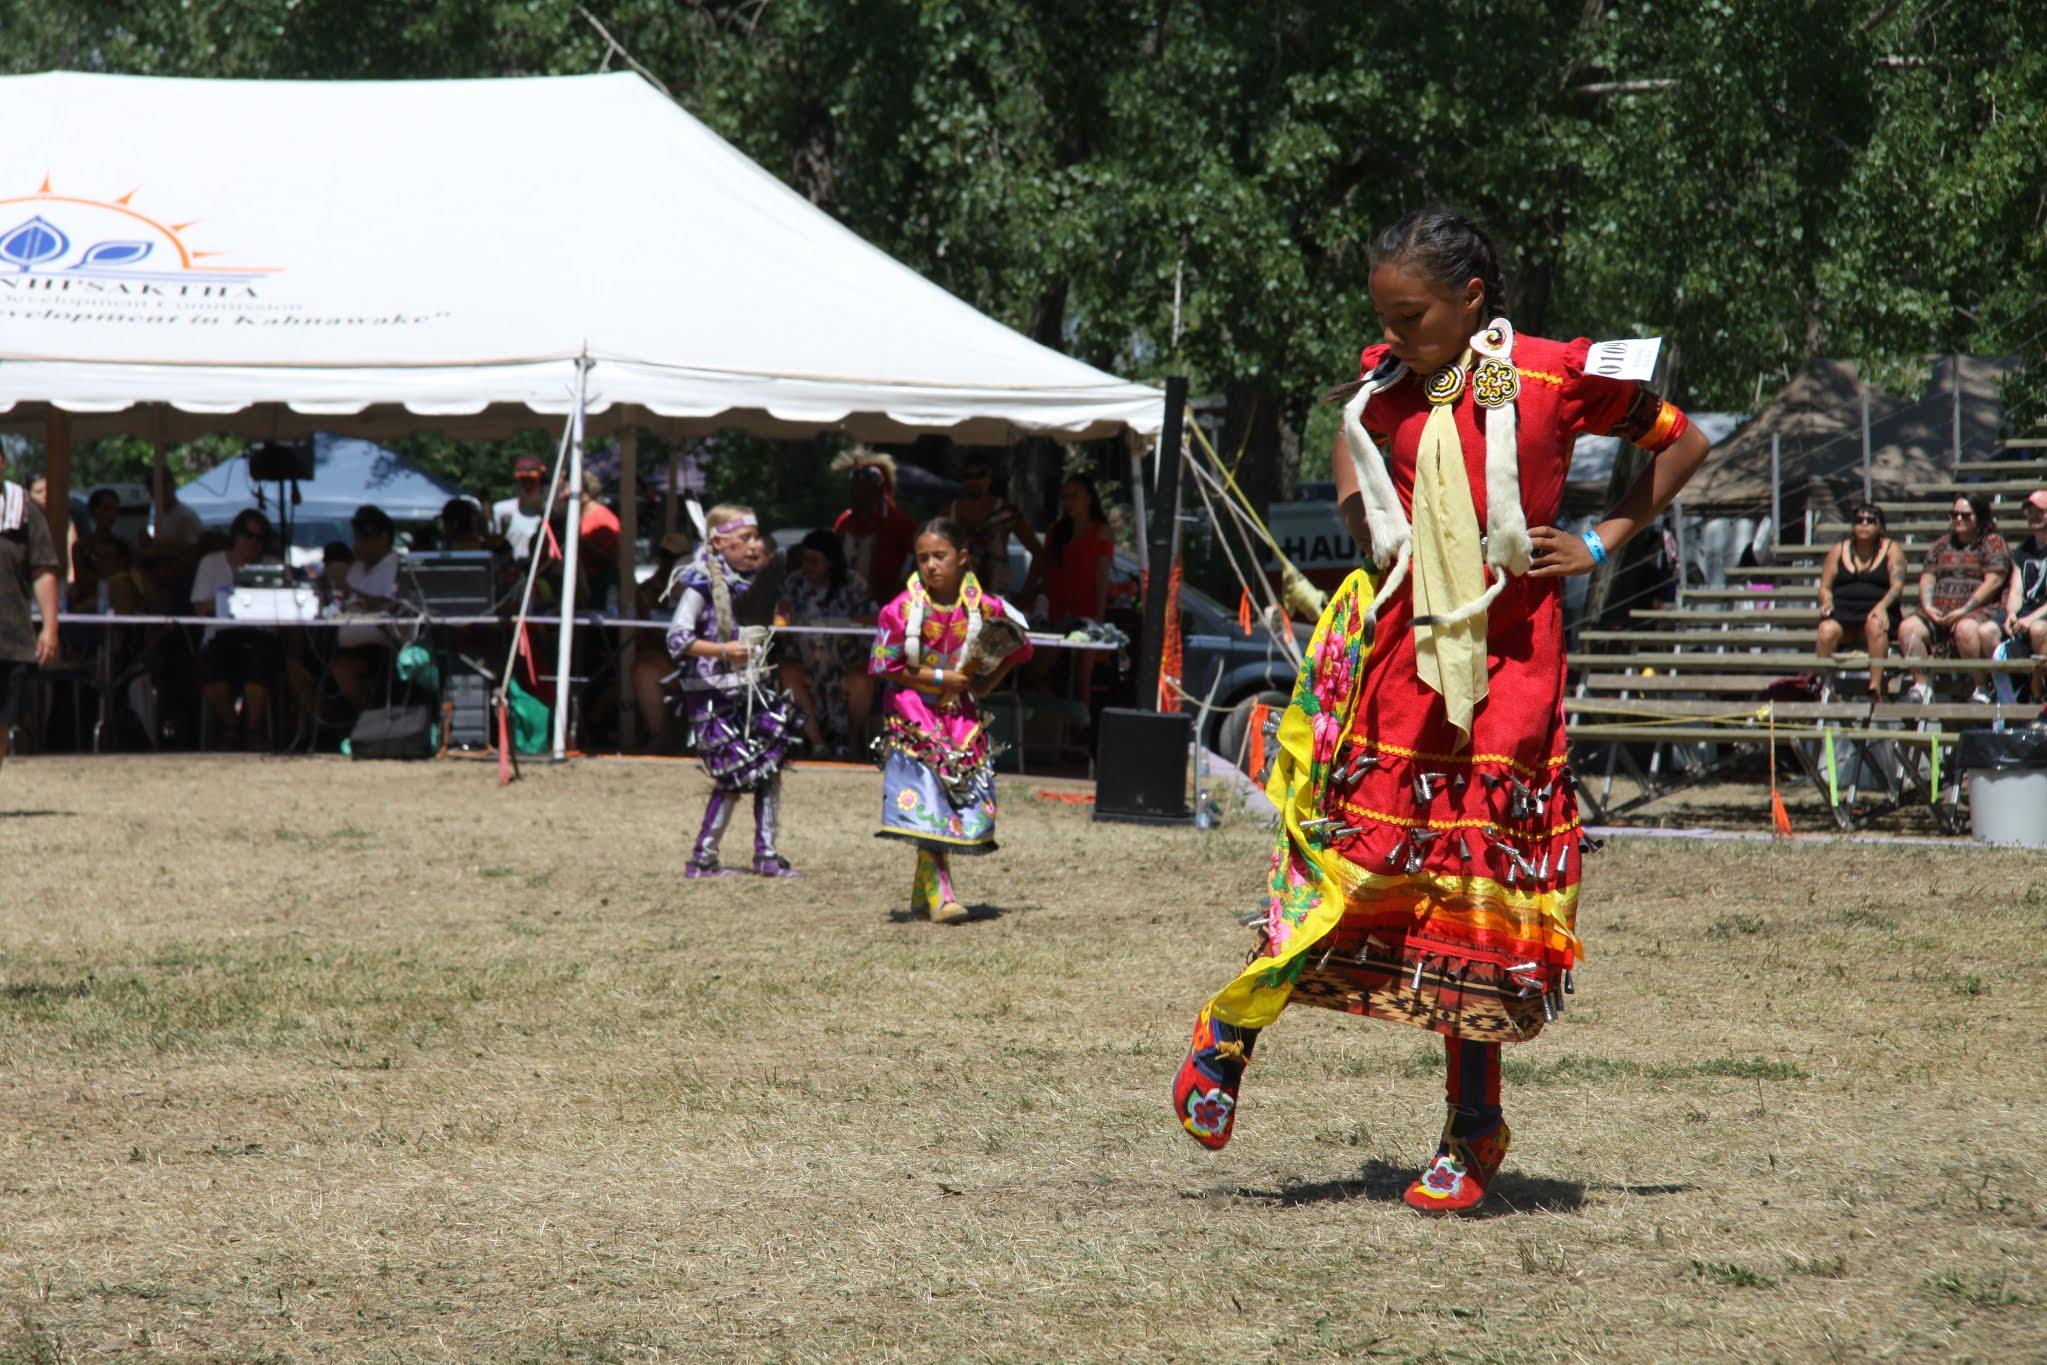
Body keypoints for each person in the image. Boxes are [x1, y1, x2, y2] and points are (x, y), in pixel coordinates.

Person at [1170, 209, 1712, 1215]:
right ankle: (1229, 1033)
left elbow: (1684, 441)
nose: (1398, 336)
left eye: (1413, 316)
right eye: (1386, 317)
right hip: (1402, 655)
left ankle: (1473, 1128)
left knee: (1474, 894)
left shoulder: (1555, 375)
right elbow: (1350, 441)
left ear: (1470, 300)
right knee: (1349, 858)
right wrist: (1369, 526)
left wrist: (1601, 540)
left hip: (1510, 667)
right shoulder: (1391, 384)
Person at [868, 518, 1033, 924]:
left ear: (962, 557)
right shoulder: (901, 608)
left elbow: (1017, 647)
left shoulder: (986, 607)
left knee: (956, 799)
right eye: (922, 557)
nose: (930, 565)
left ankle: (925, 893)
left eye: (939, 556)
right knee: (927, 796)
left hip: (960, 716)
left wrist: (981, 686)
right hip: (912, 712)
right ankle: (942, 897)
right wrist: (944, 678)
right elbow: (885, 665)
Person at [666, 505, 801, 878]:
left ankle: (767, 855)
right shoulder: (699, 584)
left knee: (770, 770)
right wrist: (724, 651)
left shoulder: (750, 584)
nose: (754, 546)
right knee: (731, 777)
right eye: (744, 539)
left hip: (750, 692)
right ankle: (703, 859)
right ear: (718, 543)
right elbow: (677, 638)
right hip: (711, 696)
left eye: (756, 537)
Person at [190, 508, 287, 748]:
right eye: (248, 535)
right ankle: (231, 726)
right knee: (210, 664)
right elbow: (200, 607)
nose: (253, 542)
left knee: (259, 662)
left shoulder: (274, 567)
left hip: (261, 636)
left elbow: (284, 610)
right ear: (235, 536)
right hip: (221, 636)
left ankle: (253, 730)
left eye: (260, 538)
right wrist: (232, 603)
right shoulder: (211, 563)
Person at [1899, 494, 2010, 703]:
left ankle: (1981, 687)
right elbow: (1928, 577)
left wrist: (1964, 609)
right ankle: (1922, 685)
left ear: (1980, 516)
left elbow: (1993, 581)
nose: (1958, 519)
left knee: (1965, 629)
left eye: (1965, 515)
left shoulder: (1993, 542)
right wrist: (1928, 607)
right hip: (1940, 610)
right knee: (1908, 628)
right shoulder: (1942, 544)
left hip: (1980, 610)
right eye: (1955, 514)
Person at [778, 528, 878, 754]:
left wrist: (844, 622)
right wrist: (785, 616)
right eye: (804, 560)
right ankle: (818, 743)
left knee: (862, 678)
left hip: (844, 663)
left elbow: (876, 618)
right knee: (787, 672)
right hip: (805, 662)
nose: (807, 567)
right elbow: (780, 621)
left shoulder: (854, 584)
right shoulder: (794, 583)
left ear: (830, 562)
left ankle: (851, 742)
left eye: (814, 561)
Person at [0, 471, 61, 771]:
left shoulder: (24, 511)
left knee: (0, 722)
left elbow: (43, 569)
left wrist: (50, 627)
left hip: (9, 637)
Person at [1814, 501, 1906, 698]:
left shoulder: (1892, 549)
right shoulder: (1839, 549)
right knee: (1825, 630)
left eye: (1870, 520)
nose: (1864, 524)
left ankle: (1875, 686)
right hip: (1844, 616)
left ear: (1880, 526)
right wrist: (1826, 600)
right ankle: (1825, 685)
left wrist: (1882, 606)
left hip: (1876, 614)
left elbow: (1897, 586)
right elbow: (1825, 586)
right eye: (1859, 520)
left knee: (1875, 625)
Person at [327, 505, 401, 713]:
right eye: (357, 538)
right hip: (342, 640)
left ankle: (366, 720)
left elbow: (396, 606)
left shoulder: (398, 568)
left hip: (380, 646)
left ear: (384, 537)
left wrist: (361, 597)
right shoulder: (356, 569)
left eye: (364, 538)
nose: (358, 545)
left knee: (341, 667)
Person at [940, 455, 1039, 596]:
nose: (974, 480)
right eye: (968, 476)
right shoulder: (947, 513)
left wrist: (1026, 593)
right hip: (957, 593)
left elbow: (1038, 552)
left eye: (980, 475)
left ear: (989, 478)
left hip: (996, 593)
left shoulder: (1006, 512)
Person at [832, 450, 918, 593]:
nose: (854, 492)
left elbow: (918, 557)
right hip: (848, 603)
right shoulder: (844, 522)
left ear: (876, 490)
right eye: (853, 486)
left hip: (887, 602)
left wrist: (905, 587)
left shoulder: (899, 522)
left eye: (860, 487)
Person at [2002, 489, 2047, 662]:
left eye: (2040, 512)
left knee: (2037, 629)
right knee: (1987, 631)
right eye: (2031, 512)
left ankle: (2038, 685)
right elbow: (2016, 591)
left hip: (2040, 616)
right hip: (2028, 611)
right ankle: (2002, 686)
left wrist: (2030, 619)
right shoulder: (2023, 550)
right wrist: (2011, 613)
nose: (2034, 516)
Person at [491, 453, 551, 561]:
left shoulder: (551, 512)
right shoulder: (501, 511)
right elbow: (494, 547)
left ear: (541, 482)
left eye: (531, 481)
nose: (526, 485)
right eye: (522, 480)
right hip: (510, 573)